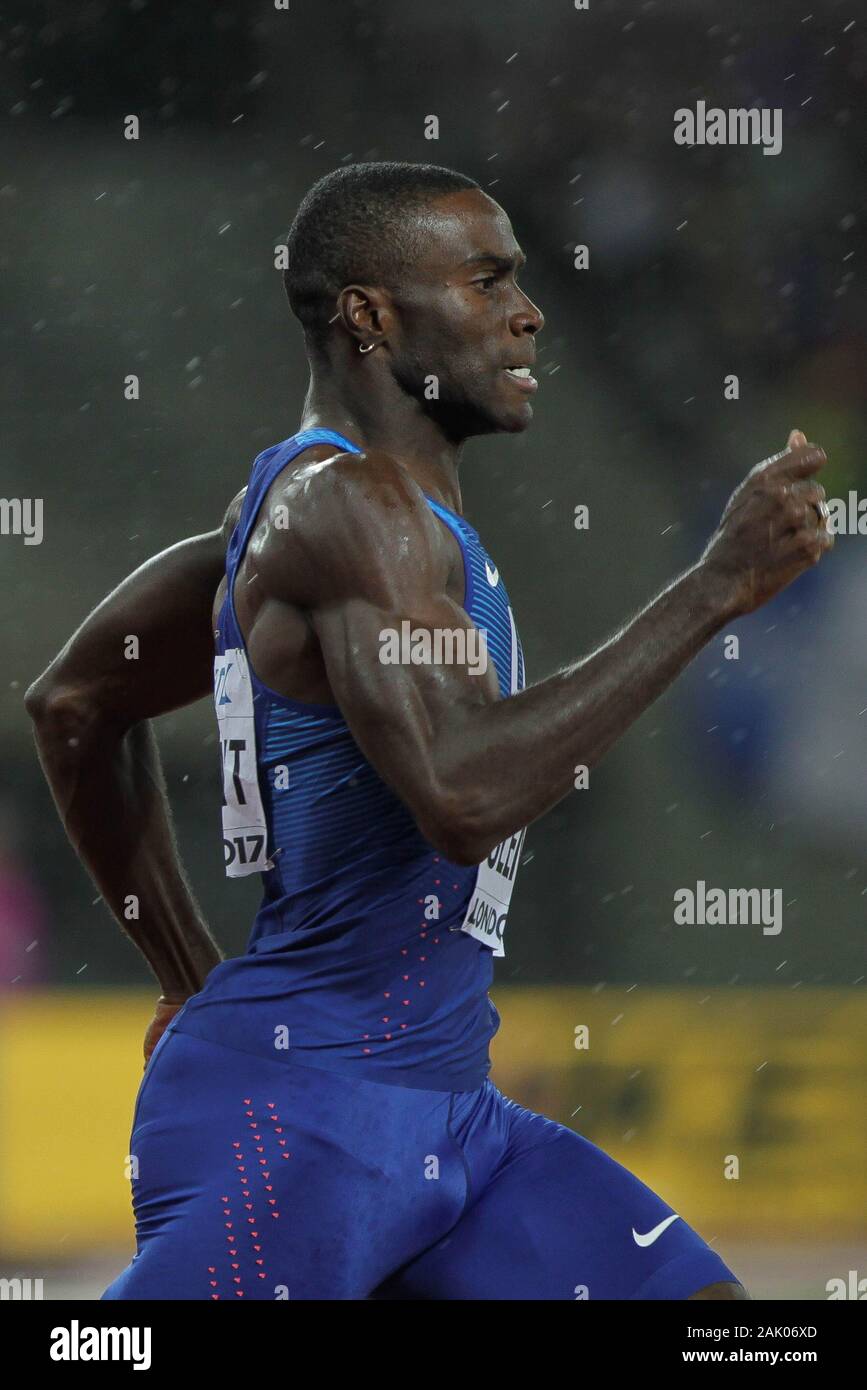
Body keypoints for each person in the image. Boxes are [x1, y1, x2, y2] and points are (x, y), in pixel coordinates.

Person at [26, 162, 832, 1300]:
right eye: (488, 278)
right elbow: (460, 799)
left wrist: (184, 976)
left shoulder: (314, 523)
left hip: (457, 1117)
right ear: (369, 315)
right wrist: (712, 590)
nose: (529, 310)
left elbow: (73, 703)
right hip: (309, 1115)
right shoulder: (347, 511)